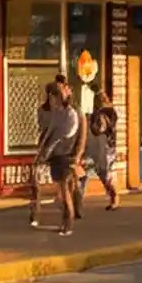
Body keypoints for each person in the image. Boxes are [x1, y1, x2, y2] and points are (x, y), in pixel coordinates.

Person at [30, 75, 86, 236]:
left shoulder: (71, 113)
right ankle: (64, 218)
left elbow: (65, 136)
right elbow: (47, 133)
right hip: (56, 155)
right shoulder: (55, 112)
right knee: (59, 189)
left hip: (65, 155)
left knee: (65, 190)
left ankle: (68, 221)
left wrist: (77, 156)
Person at [85, 103, 121, 211]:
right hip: (101, 148)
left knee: (106, 175)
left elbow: (100, 130)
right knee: (103, 174)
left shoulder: (105, 119)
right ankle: (113, 198)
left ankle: (115, 198)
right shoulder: (102, 116)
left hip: (106, 149)